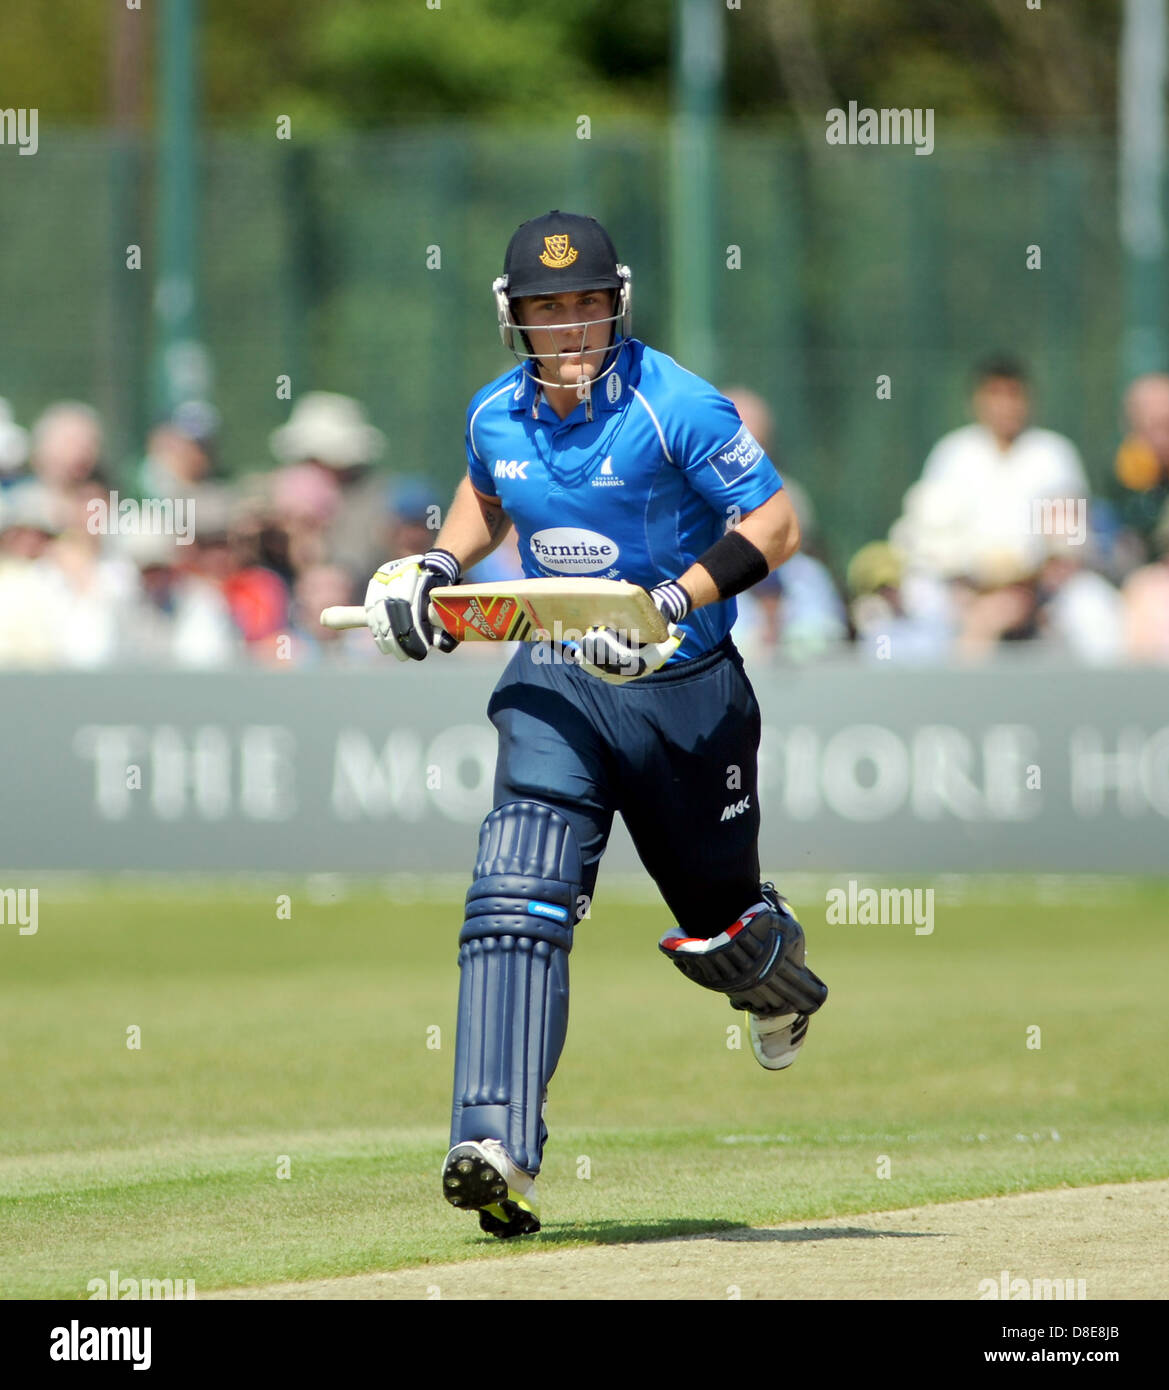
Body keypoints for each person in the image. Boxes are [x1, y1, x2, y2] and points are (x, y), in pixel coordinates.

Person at [360, 211, 828, 1239]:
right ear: (513, 316)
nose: (566, 326)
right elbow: (486, 496)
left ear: (613, 304)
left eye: (582, 305)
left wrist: (666, 602)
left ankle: (777, 973)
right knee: (513, 894)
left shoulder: (676, 406)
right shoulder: (495, 413)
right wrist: (438, 568)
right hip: (556, 678)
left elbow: (776, 523)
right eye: (544, 308)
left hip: (684, 689)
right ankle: (493, 1144)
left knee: (720, 927)